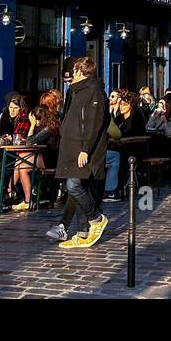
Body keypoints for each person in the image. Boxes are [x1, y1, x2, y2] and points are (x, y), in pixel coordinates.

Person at [50, 57, 110, 248]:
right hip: (73, 147)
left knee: (74, 185)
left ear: (80, 72)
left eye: (74, 73)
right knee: (78, 186)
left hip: (83, 150)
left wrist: (86, 149)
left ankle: (96, 219)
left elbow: (94, 123)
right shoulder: (77, 92)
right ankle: (83, 232)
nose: (71, 78)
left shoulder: (94, 91)